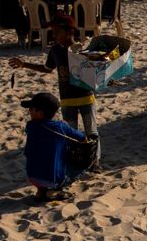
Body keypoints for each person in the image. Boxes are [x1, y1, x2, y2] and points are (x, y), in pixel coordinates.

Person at [9, 15, 100, 171]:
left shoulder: (81, 49)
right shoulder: (55, 51)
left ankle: (94, 162)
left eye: (57, 31)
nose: (54, 35)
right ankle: (75, 161)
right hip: (66, 100)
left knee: (91, 131)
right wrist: (24, 65)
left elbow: (95, 69)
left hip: (86, 97)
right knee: (71, 133)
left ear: (69, 32)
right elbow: (47, 68)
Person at [20, 91, 88, 202]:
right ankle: (55, 189)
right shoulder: (61, 127)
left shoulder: (31, 126)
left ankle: (41, 191)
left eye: (31, 109)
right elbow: (82, 138)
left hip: (31, 177)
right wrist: (66, 126)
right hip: (53, 178)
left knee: (42, 162)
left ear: (40, 113)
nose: (29, 111)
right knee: (82, 168)